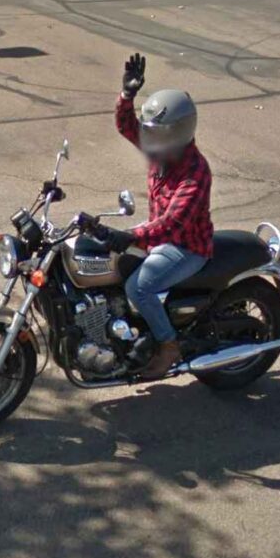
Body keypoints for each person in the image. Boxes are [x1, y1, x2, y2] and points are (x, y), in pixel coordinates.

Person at [90, 53, 214, 378]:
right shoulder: (163, 151)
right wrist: (127, 95)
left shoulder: (195, 172)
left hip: (186, 247)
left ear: (178, 132)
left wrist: (131, 235)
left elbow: (172, 224)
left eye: (157, 133)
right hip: (157, 236)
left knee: (139, 288)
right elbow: (126, 126)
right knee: (109, 265)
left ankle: (167, 345)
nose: (149, 140)